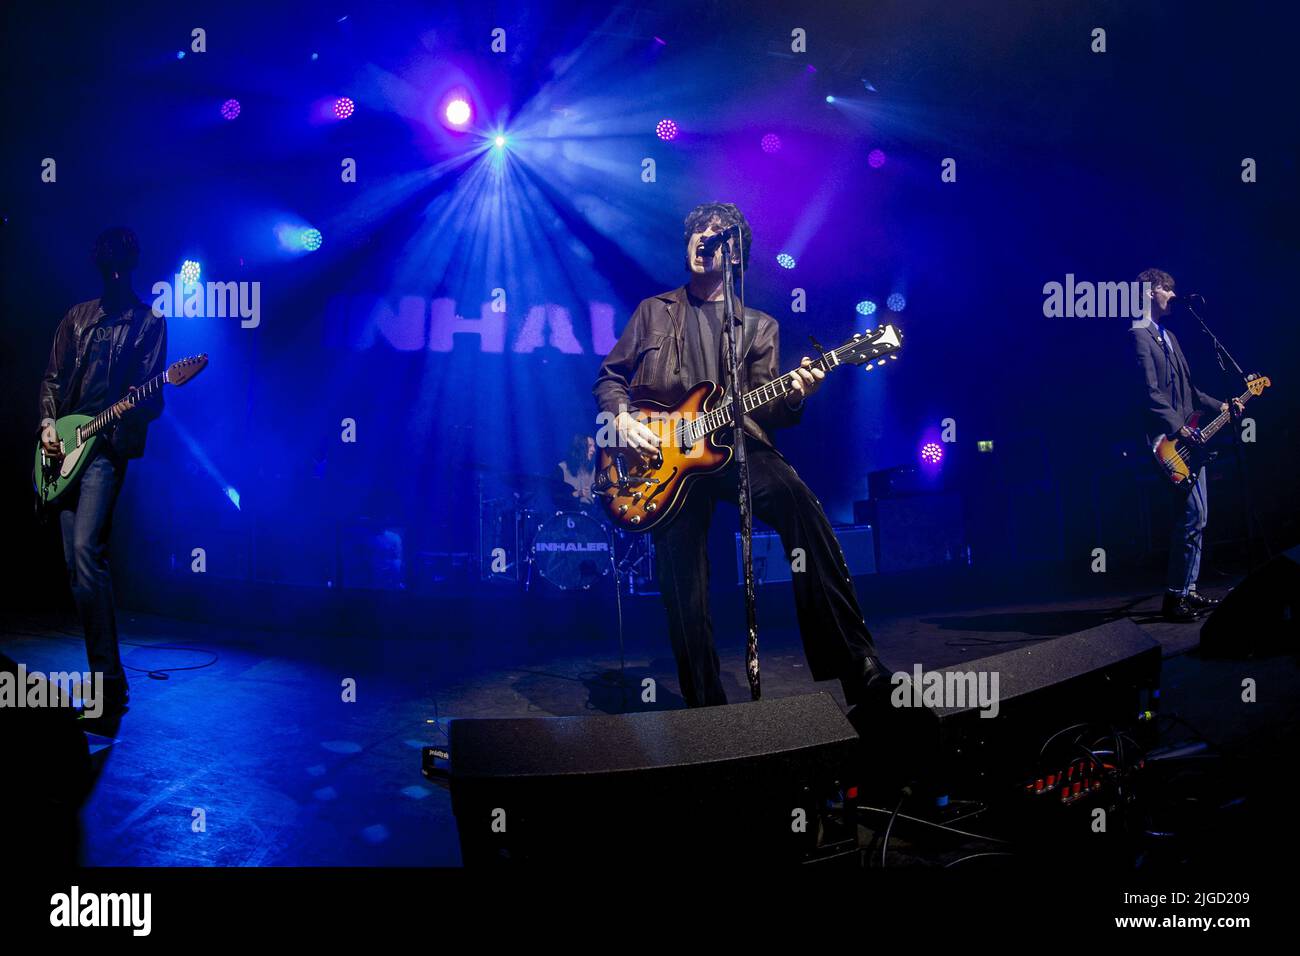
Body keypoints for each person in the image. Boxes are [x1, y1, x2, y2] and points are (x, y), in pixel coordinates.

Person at [592, 202, 891, 718]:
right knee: (682, 578)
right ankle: (707, 709)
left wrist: (797, 391)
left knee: (800, 502)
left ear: (735, 255)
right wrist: (621, 419)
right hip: (661, 464)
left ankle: (858, 664)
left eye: (715, 235)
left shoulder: (757, 326)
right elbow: (609, 377)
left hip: (735, 447)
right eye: (696, 232)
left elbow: (767, 406)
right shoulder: (653, 311)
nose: (702, 239)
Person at [38, 227, 167, 721]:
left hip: (104, 450)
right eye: (107, 266)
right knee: (76, 567)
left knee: (87, 553)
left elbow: (154, 400)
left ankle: (108, 689)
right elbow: (51, 378)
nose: (114, 274)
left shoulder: (148, 322)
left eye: (121, 266)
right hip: (64, 451)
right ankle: (106, 679)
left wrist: (131, 406)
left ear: (131, 266)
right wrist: (48, 423)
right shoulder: (77, 318)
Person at [1130, 268, 1242, 622]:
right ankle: (1174, 597)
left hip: (1192, 437)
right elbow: (1149, 394)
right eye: (1166, 288)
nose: (1172, 294)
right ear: (1149, 293)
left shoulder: (1171, 337)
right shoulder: (1138, 335)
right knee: (1191, 514)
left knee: (1198, 516)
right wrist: (1179, 427)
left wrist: (1222, 406)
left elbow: (1191, 391)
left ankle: (1187, 591)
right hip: (1167, 441)